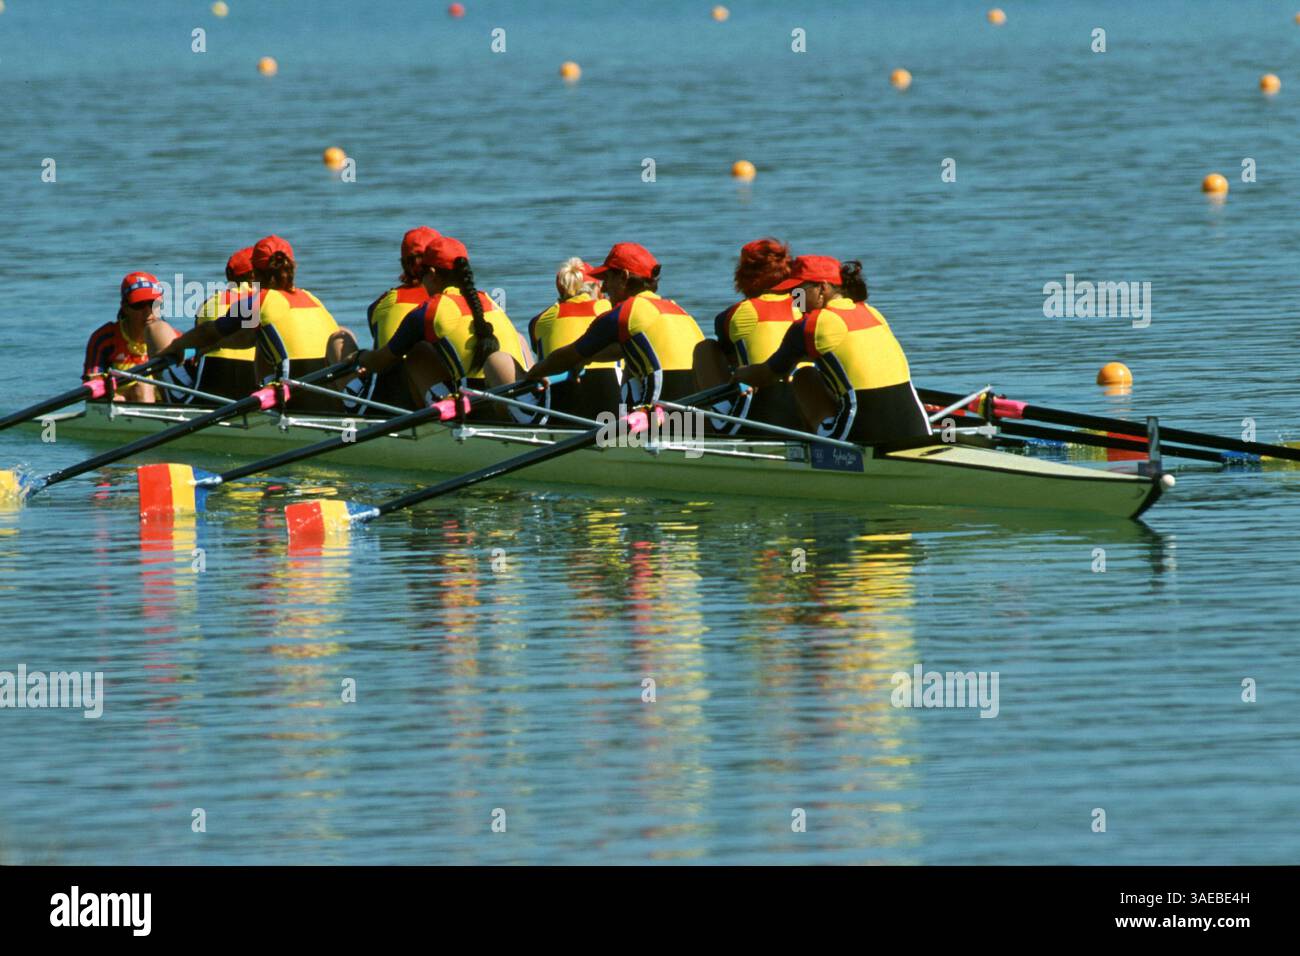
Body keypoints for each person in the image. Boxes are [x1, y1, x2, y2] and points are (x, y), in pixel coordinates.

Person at [733, 256, 931, 445]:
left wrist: (738, 375)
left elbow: (766, 375)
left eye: (798, 292)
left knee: (804, 376)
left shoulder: (810, 325)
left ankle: (808, 451)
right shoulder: (872, 312)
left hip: (861, 435)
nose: (793, 300)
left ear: (822, 288)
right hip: (917, 428)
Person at [158, 236, 356, 411]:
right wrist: (215, 346)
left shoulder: (260, 300)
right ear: (293, 266)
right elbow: (247, 337)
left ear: (256, 273)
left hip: (293, 405)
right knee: (265, 337)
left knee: (264, 341)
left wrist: (174, 347)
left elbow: (210, 332)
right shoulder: (314, 300)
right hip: (333, 405)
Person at [354, 236, 530, 414]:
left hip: (474, 409)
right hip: (517, 401)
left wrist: (358, 357)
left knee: (415, 351)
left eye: (423, 275)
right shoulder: (490, 300)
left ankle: (433, 418)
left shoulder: (431, 310)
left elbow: (381, 361)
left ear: (431, 273)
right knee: (519, 338)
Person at [526, 242, 703, 407]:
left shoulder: (624, 313)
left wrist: (534, 373)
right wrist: (589, 359)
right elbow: (620, 349)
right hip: (696, 417)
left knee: (631, 371)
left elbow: (568, 357)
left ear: (624, 277)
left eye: (607, 279)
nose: (603, 289)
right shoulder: (678, 310)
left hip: (658, 420)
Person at [693, 238, 805, 432]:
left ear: (743, 273)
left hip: (760, 416)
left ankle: (712, 425)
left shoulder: (731, 315)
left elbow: (732, 365)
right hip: (805, 411)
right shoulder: (805, 308)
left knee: (705, 348)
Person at [358, 226, 441, 410]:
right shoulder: (454, 302)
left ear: (404, 262)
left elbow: (377, 339)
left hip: (390, 402)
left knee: (342, 338)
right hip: (437, 395)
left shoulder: (382, 303)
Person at [528, 258, 617, 419]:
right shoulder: (611, 310)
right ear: (597, 288)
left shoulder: (540, 319)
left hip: (559, 414)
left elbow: (538, 352)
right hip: (613, 412)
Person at [82, 272, 181, 403]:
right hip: (119, 410)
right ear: (125, 307)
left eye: (153, 303)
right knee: (142, 388)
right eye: (139, 305)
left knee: (143, 388)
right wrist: (116, 398)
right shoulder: (104, 339)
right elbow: (93, 383)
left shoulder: (176, 338)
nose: (148, 312)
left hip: (164, 406)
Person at [181, 246, 259, 401]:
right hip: (253, 385)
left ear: (230, 276)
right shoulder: (268, 301)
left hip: (213, 384)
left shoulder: (209, 303)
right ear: (254, 275)